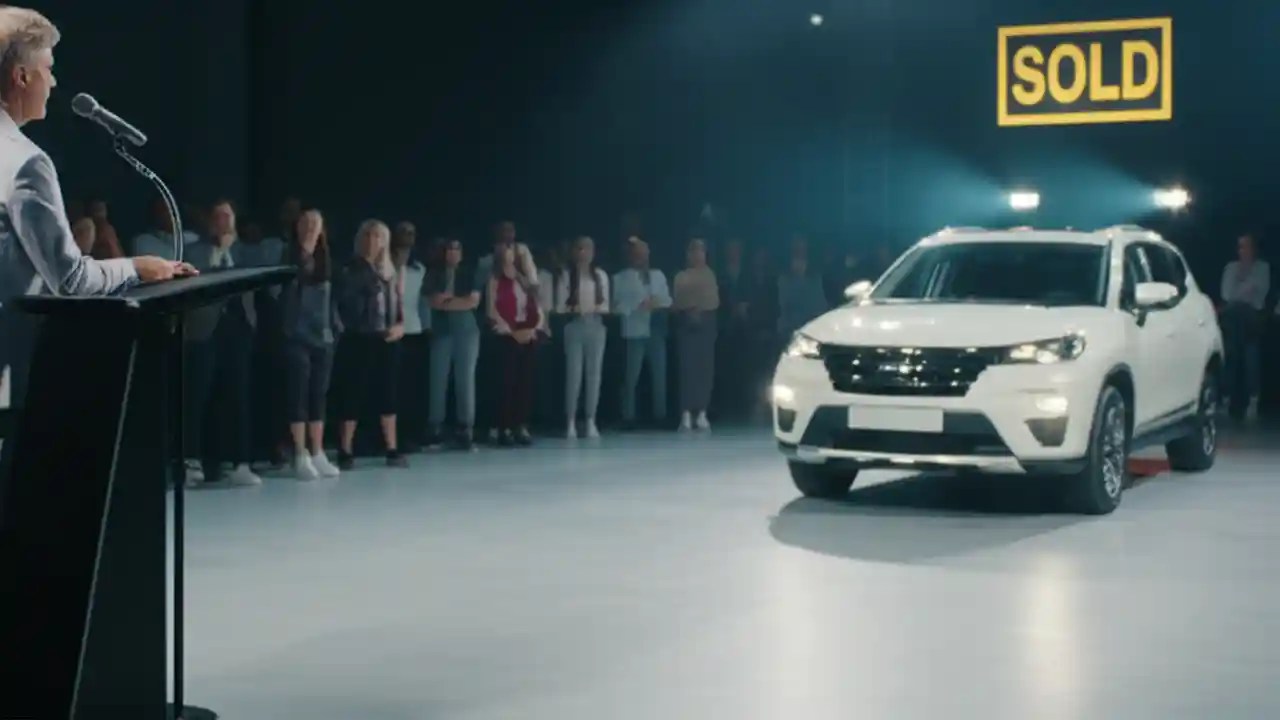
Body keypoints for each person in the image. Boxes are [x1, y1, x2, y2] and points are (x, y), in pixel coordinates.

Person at [0, 6, 192, 422]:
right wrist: (138, 268)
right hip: (13, 375)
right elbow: (70, 281)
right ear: (21, 77)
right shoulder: (25, 161)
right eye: (48, 69)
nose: (53, 82)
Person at [184, 200, 261, 487]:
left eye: (227, 215)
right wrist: (217, 256)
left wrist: (229, 251)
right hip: (204, 329)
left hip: (238, 328)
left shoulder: (248, 251)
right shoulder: (194, 251)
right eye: (217, 216)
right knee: (198, 396)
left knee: (238, 395)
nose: (223, 221)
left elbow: (254, 282)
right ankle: (192, 461)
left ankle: (241, 461)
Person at [334, 219, 408, 468]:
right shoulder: (350, 270)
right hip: (359, 338)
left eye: (377, 237)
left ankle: (392, 447)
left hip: (387, 339)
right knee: (352, 394)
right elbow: (344, 306)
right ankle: (345, 449)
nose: (372, 241)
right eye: (367, 236)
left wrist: (400, 326)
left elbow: (398, 305)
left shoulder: (391, 271)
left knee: (389, 393)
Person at [280, 208, 342, 481]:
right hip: (296, 335)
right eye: (305, 223)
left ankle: (318, 451)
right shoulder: (289, 255)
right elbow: (288, 287)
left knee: (319, 394)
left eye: (316, 224)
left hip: (323, 336)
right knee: (298, 394)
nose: (310, 228)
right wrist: (303, 252)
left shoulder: (326, 259)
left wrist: (334, 330)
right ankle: (300, 453)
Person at [425, 237, 480, 450]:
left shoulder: (469, 273)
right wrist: (455, 302)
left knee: (465, 379)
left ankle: (465, 428)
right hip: (442, 331)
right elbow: (432, 301)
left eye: (456, 249)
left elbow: (473, 302)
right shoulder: (434, 273)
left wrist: (447, 301)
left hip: (467, 331)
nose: (452, 253)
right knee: (437, 379)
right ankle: (435, 427)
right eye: (448, 249)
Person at [487, 242, 542, 446]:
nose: (510, 259)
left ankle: (522, 425)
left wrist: (532, 329)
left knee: (525, 384)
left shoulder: (527, 282)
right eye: (506, 256)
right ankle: (504, 427)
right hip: (506, 336)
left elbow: (538, 308)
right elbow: (492, 312)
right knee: (506, 384)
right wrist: (512, 332)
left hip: (527, 335)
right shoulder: (494, 280)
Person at [613, 237, 671, 428]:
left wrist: (657, 303)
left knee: (659, 375)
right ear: (630, 255)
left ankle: (660, 416)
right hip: (634, 330)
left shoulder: (658, 275)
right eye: (636, 252)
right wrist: (635, 306)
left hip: (655, 328)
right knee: (631, 376)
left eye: (643, 252)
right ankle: (628, 416)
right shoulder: (621, 277)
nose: (640, 256)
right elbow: (615, 305)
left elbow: (668, 300)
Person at [556, 236, 609, 439]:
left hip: (596, 325)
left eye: (587, 248)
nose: (583, 252)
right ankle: (570, 420)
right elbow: (560, 306)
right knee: (574, 375)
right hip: (574, 325)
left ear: (593, 252)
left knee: (594, 375)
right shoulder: (566, 276)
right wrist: (575, 308)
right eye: (579, 248)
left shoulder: (600, 276)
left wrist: (593, 308)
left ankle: (590, 419)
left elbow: (605, 305)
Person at [1221, 234, 1271, 421]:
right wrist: (1244, 286)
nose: (1244, 251)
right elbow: (1227, 294)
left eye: (1247, 246)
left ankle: (1253, 400)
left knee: (1251, 358)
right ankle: (1226, 400)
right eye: (1241, 247)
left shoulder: (1262, 268)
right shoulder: (1231, 268)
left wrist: (1241, 289)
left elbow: (1260, 292)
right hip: (1232, 317)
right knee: (1231, 357)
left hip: (1252, 318)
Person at [671, 237, 719, 431]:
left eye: (701, 251)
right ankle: (685, 413)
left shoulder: (710, 275)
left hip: (707, 325)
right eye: (694, 251)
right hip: (686, 325)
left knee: (704, 369)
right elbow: (678, 299)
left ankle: (702, 412)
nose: (698, 255)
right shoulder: (681, 276)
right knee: (687, 369)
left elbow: (713, 300)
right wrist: (690, 308)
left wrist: (701, 308)